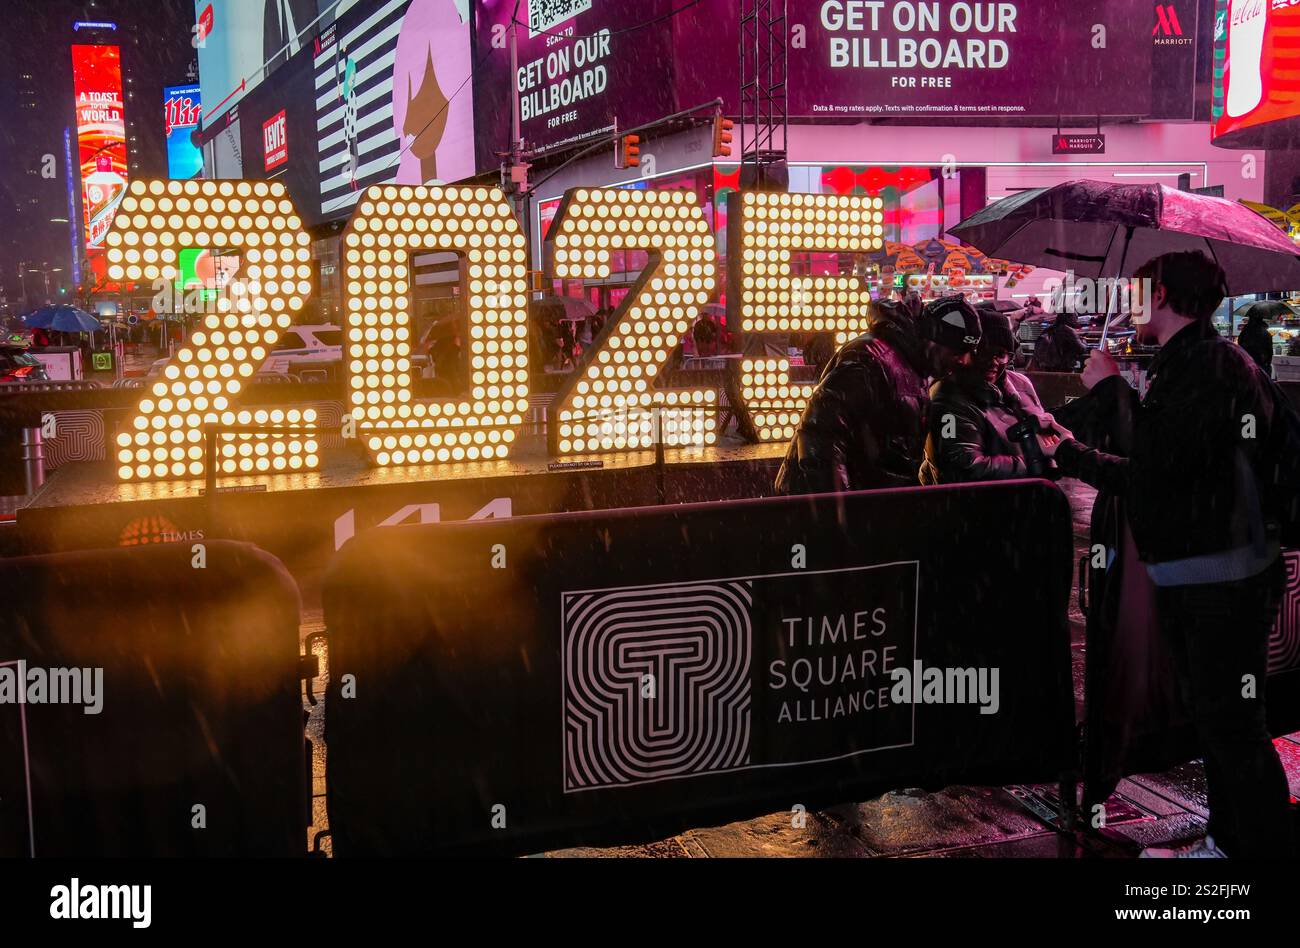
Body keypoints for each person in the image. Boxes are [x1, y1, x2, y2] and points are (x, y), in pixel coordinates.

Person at [1039, 250, 1293, 858]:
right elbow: (1170, 463)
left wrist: (1106, 393)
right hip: (1211, 572)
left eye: (1137, 292)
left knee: (1233, 727)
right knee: (1222, 724)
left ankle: (1263, 849)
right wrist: (1082, 442)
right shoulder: (1198, 362)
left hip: (1222, 580)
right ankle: (1232, 842)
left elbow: (1158, 471)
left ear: (1163, 297)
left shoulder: (1207, 367)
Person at [774, 295, 981, 494]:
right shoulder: (871, 358)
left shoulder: (914, 366)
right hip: (836, 509)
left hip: (866, 506)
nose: (963, 360)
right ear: (934, 340)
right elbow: (821, 434)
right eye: (957, 351)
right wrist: (838, 509)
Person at [920, 309, 1055, 484]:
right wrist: (1034, 462)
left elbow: (1046, 437)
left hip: (1027, 499)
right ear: (967, 352)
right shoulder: (946, 397)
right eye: (984, 351)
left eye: (1001, 354)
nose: (993, 362)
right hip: (976, 505)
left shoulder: (1021, 383)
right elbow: (962, 468)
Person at [1236, 309, 1274, 375]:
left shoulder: (1245, 331)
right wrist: (1267, 363)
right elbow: (1269, 351)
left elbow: (1240, 345)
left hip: (1246, 363)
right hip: (1261, 364)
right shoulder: (1265, 332)